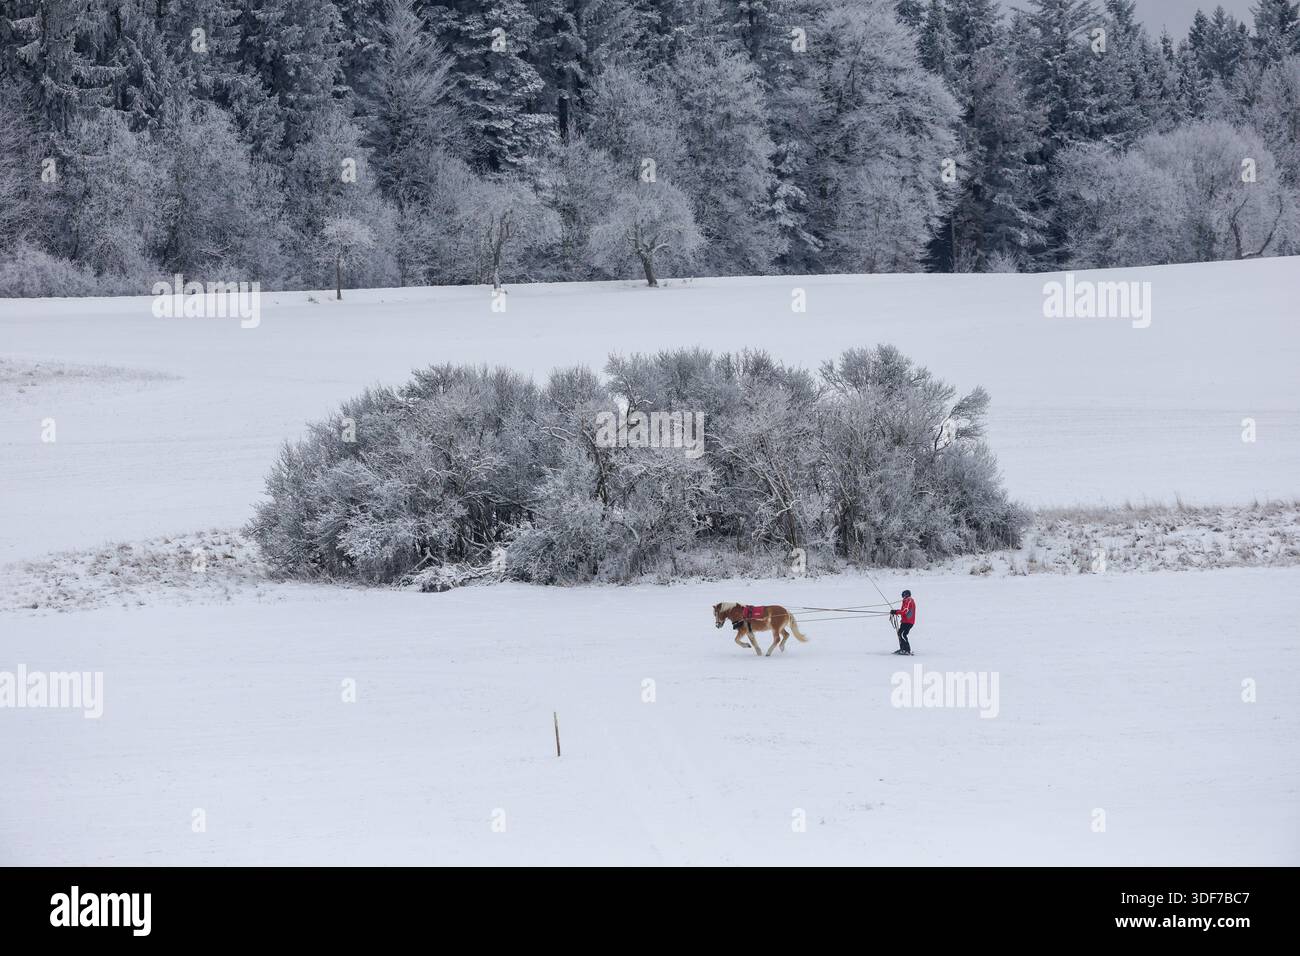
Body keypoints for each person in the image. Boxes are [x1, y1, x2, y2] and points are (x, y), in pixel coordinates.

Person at [889, 590, 916, 655]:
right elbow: (903, 611)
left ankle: (907, 650)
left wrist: (896, 612)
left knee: (903, 634)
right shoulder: (906, 601)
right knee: (900, 633)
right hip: (905, 621)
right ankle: (902, 648)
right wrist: (895, 612)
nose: (902, 596)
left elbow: (905, 611)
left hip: (908, 621)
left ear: (906, 594)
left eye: (903, 595)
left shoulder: (909, 600)